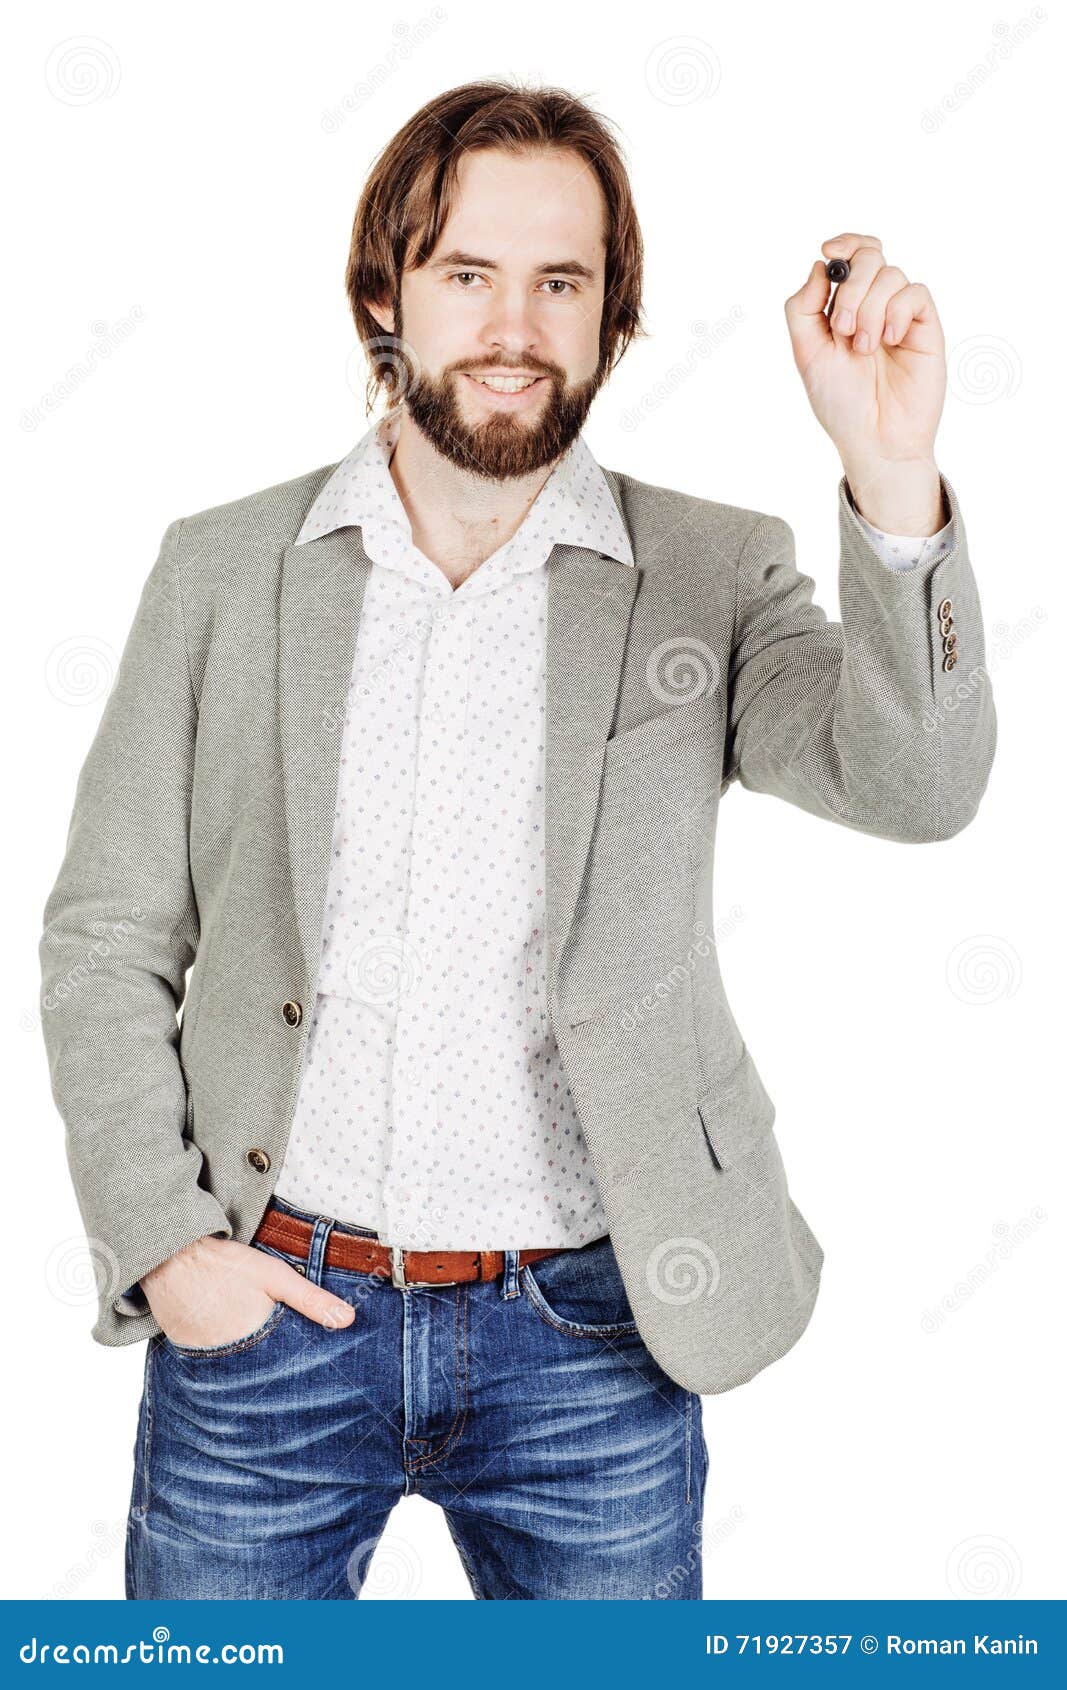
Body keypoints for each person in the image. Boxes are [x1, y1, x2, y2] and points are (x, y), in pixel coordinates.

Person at [39, 80, 996, 1601]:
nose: (513, 327)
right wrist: (166, 1244)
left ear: (615, 318)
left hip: (593, 1338)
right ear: (384, 294)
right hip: (271, 1321)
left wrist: (891, 474)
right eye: (467, 273)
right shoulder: (222, 570)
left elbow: (918, 784)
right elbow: (107, 936)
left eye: (562, 282)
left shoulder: (707, 573)